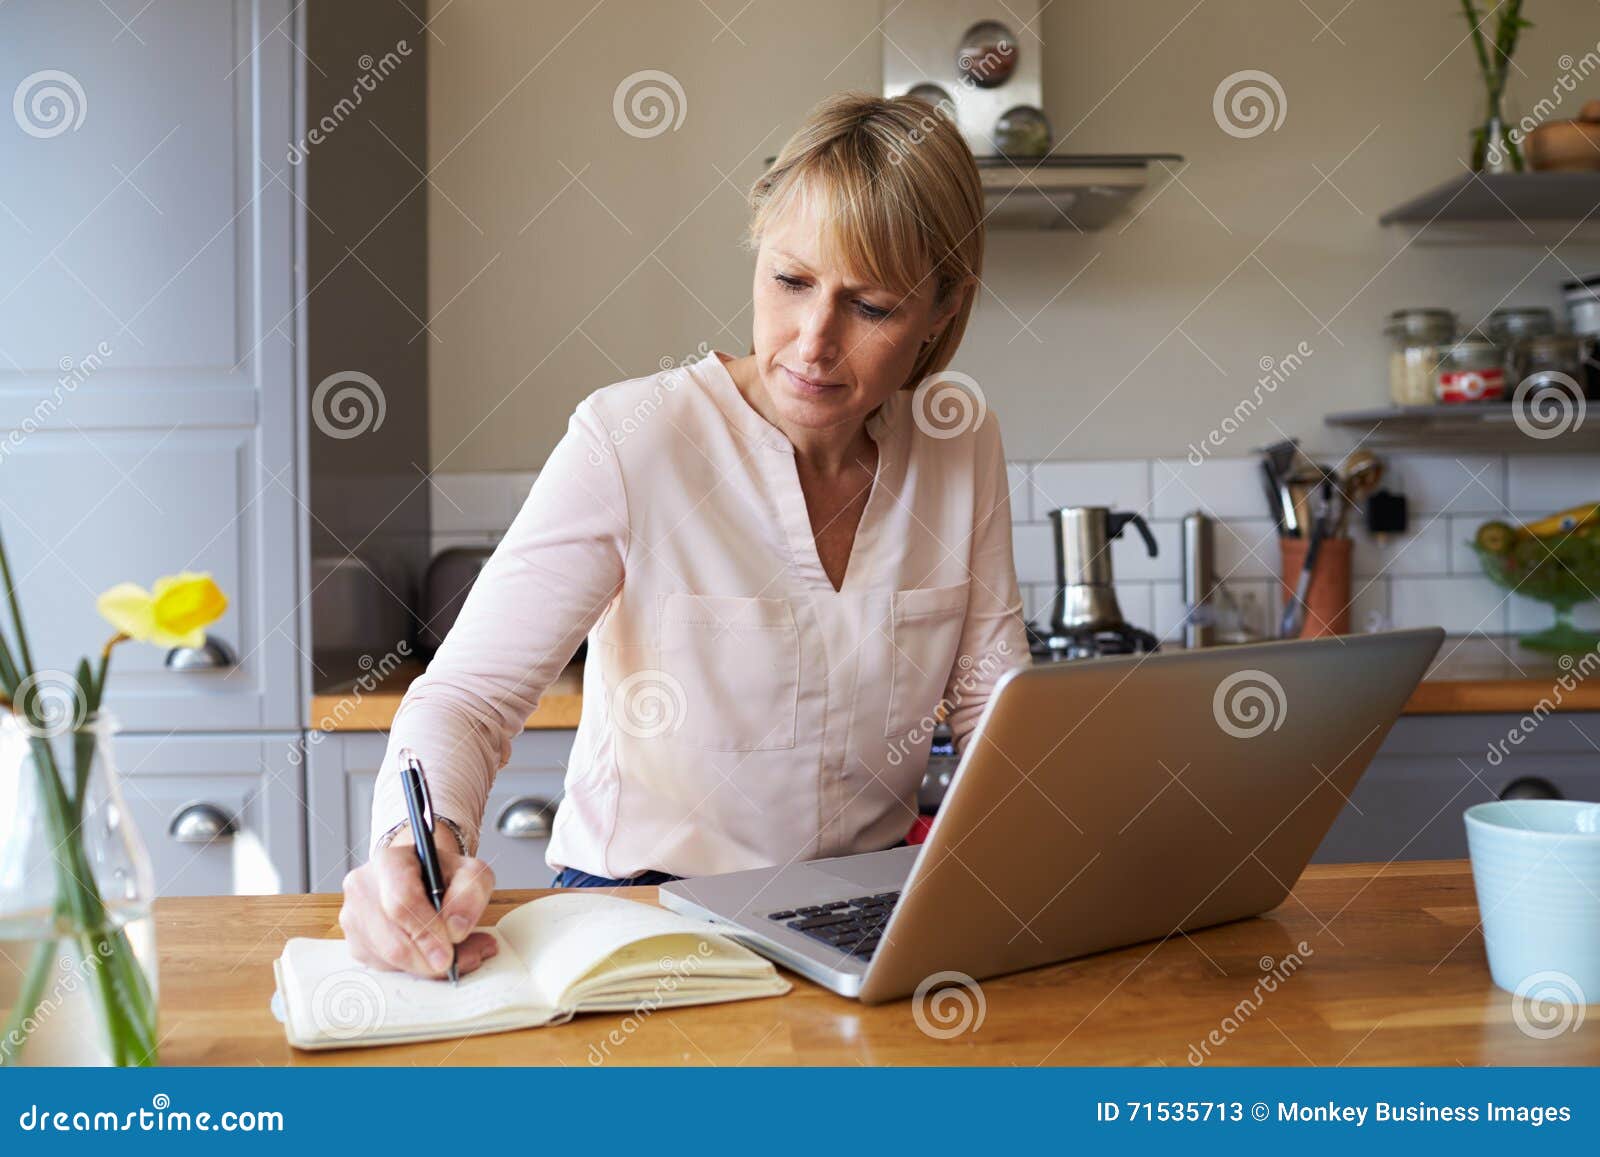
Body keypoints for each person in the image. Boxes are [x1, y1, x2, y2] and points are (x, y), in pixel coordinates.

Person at [338, 91, 1030, 979]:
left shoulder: (958, 436)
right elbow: (468, 699)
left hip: (867, 920)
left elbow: (993, 716)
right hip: (645, 915)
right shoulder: (633, 439)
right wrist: (414, 842)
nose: (813, 341)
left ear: (942, 309)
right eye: (790, 282)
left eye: (872, 307)